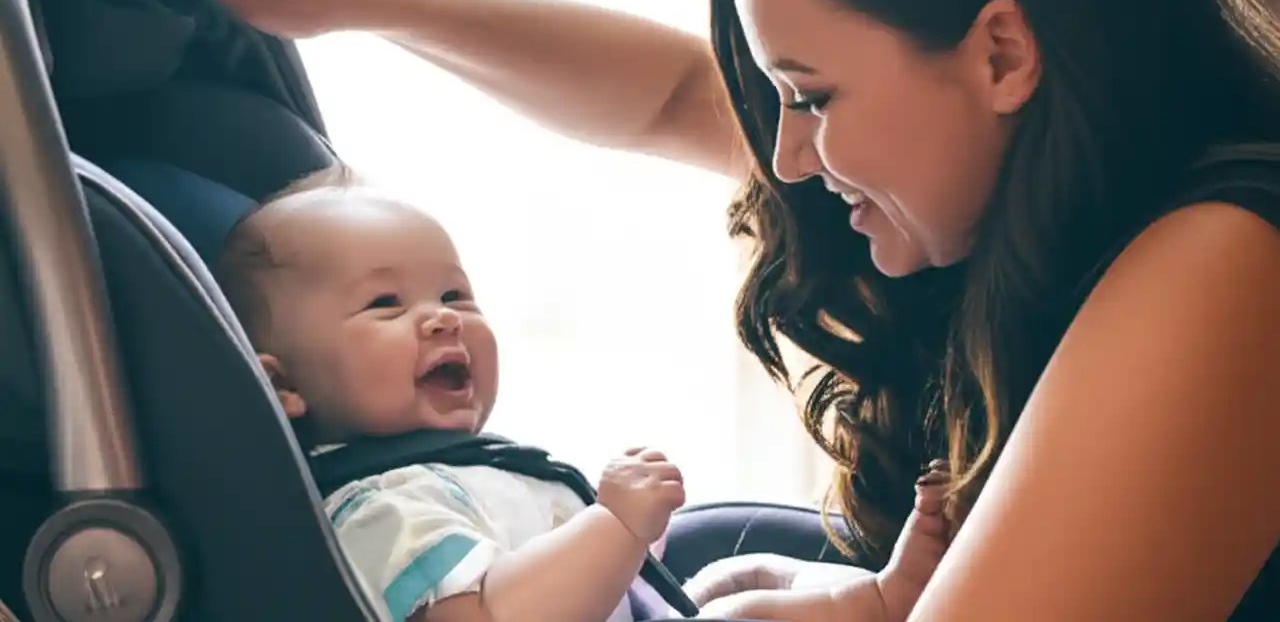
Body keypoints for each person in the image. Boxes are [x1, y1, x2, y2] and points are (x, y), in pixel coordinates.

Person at [123, 0, 1280, 619]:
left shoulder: (1221, 264)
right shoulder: (1024, 187)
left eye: (808, 96)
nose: (779, 153)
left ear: (1001, 52)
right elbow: (677, 94)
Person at [182, 162, 952, 621]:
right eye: (386, 305)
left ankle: (882, 602)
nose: (440, 322)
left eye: (455, 294)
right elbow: (493, 613)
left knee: (736, 581)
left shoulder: (472, 467)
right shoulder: (382, 508)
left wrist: (628, 541)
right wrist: (613, 527)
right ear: (281, 386)